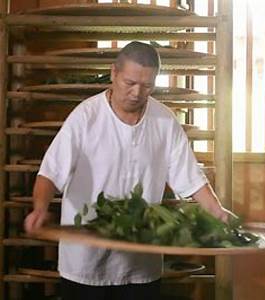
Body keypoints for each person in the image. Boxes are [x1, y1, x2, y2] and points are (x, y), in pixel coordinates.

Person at [23, 41, 233, 300]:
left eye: (147, 86)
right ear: (113, 73)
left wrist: (217, 211)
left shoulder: (164, 121)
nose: (136, 92)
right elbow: (51, 172)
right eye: (129, 83)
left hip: (140, 260)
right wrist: (40, 207)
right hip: (86, 258)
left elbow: (189, 177)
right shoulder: (86, 117)